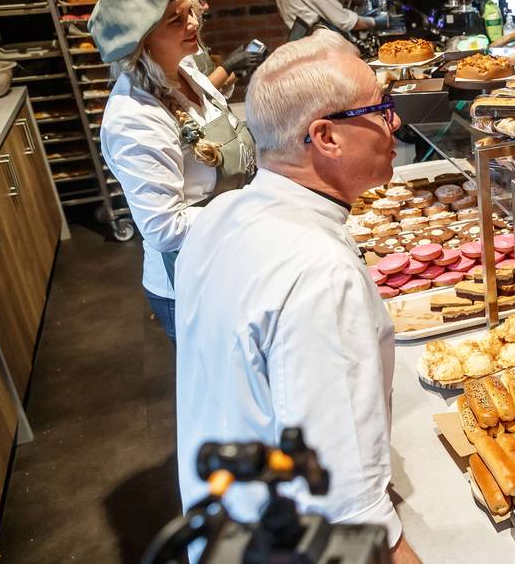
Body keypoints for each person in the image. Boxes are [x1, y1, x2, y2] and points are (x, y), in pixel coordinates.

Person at [174, 29, 421, 563]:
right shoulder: (319, 273)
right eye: (381, 109)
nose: (395, 121)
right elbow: (348, 504)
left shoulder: (221, 214)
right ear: (325, 137)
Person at [90, 0, 257, 344]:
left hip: (235, 259)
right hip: (193, 284)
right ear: (141, 39)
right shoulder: (134, 118)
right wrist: (254, 206)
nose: (194, 23)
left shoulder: (187, 71)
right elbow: (164, 229)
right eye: (176, 20)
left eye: (190, 11)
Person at [171, 0, 264, 97]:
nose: (207, 6)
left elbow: (216, 86)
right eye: (201, 0)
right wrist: (228, 66)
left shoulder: (194, 38)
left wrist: (238, 71)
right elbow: (198, 94)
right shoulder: (177, 45)